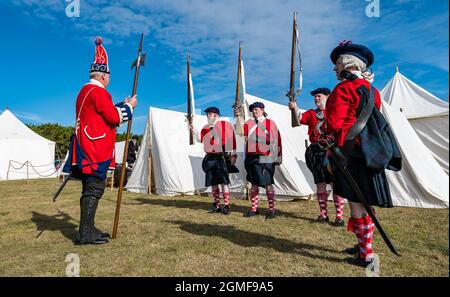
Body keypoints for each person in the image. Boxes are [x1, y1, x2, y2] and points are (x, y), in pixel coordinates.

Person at [326, 40, 401, 267]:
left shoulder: (343, 89)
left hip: (351, 154)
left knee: (357, 204)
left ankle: (366, 255)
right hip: (368, 152)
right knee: (364, 202)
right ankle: (363, 245)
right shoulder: (373, 91)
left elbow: (335, 123)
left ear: (347, 64)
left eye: (337, 63)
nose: (334, 68)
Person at [63, 37, 137, 245]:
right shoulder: (99, 92)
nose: (109, 79)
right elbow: (113, 118)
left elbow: (102, 113)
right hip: (94, 148)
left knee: (90, 188)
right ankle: (85, 233)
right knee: (94, 188)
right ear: (103, 76)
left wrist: (120, 104)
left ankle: (88, 228)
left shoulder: (85, 91)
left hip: (85, 146)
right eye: (109, 75)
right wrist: (129, 107)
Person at [289, 88, 345, 226]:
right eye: (315, 97)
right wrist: (294, 108)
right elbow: (298, 120)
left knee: (336, 184)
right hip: (316, 151)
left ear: (328, 97)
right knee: (320, 184)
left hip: (332, 151)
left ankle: (339, 217)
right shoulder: (311, 113)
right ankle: (324, 215)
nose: (316, 99)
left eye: (319, 96)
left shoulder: (334, 111)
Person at [190, 107, 237, 215]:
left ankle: (226, 205)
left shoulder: (225, 125)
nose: (207, 116)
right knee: (213, 183)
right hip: (210, 158)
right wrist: (193, 130)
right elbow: (199, 139)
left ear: (216, 115)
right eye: (207, 115)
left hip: (221, 157)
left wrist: (233, 154)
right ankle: (217, 205)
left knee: (223, 182)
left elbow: (232, 140)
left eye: (209, 114)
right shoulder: (206, 128)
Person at [242, 102, 282, 219]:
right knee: (253, 184)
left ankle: (271, 210)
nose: (254, 112)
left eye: (256, 109)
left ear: (262, 109)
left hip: (266, 156)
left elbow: (277, 140)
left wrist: (278, 156)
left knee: (268, 184)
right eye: (253, 110)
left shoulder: (270, 123)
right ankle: (254, 209)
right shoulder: (249, 123)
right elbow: (241, 133)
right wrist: (238, 116)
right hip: (251, 157)